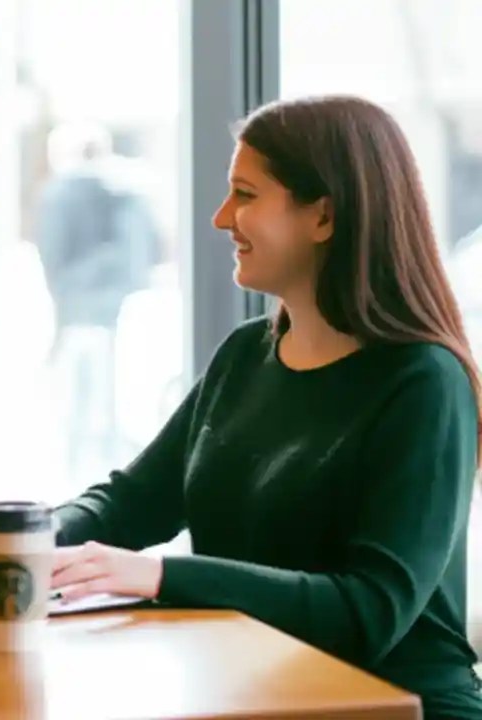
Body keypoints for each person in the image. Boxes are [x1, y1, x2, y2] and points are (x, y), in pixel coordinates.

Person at [47, 96, 482, 718]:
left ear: (324, 216)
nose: (223, 218)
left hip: (394, 707)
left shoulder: (424, 384)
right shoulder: (247, 355)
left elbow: (368, 611)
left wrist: (160, 577)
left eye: (246, 194)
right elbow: (131, 502)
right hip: (255, 693)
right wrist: (27, 537)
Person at [34, 121, 160, 477]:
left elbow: (52, 255)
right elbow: (149, 249)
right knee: (109, 395)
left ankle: (77, 467)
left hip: (77, 309)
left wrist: (60, 312)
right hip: (119, 308)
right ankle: (105, 465)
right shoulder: (127, 194)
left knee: (78, 396)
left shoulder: (59, 195)